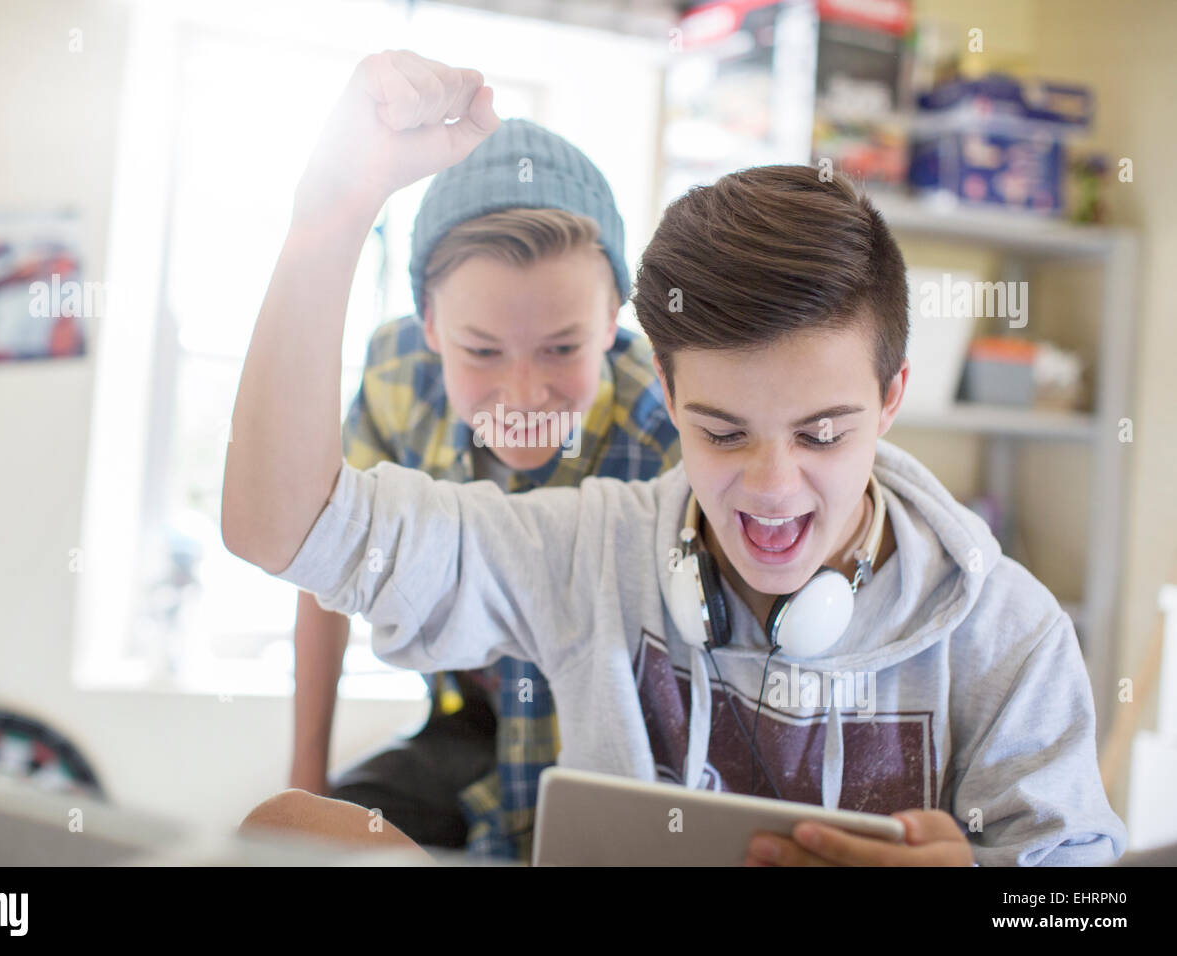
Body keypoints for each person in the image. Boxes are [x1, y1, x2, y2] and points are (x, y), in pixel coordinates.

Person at [225, 51, 1126, 865]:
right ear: (662, 384)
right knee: (292, 827)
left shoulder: (1010, 635)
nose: (773, 490)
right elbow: (284, 530)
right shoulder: (588, 554)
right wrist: (329, 218)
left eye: (822, 433)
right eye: (724, 431)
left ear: (892, 395)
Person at [285, 104, 679, 857]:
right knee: (302, 842)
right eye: (483, 352)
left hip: (613, 746)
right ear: (430, 324)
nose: (524, 396)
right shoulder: (397, 372)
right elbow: (323, 575)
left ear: (613, 321)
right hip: (466, 722)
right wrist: (309, 782)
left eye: (563, 348)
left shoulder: (668, 426)